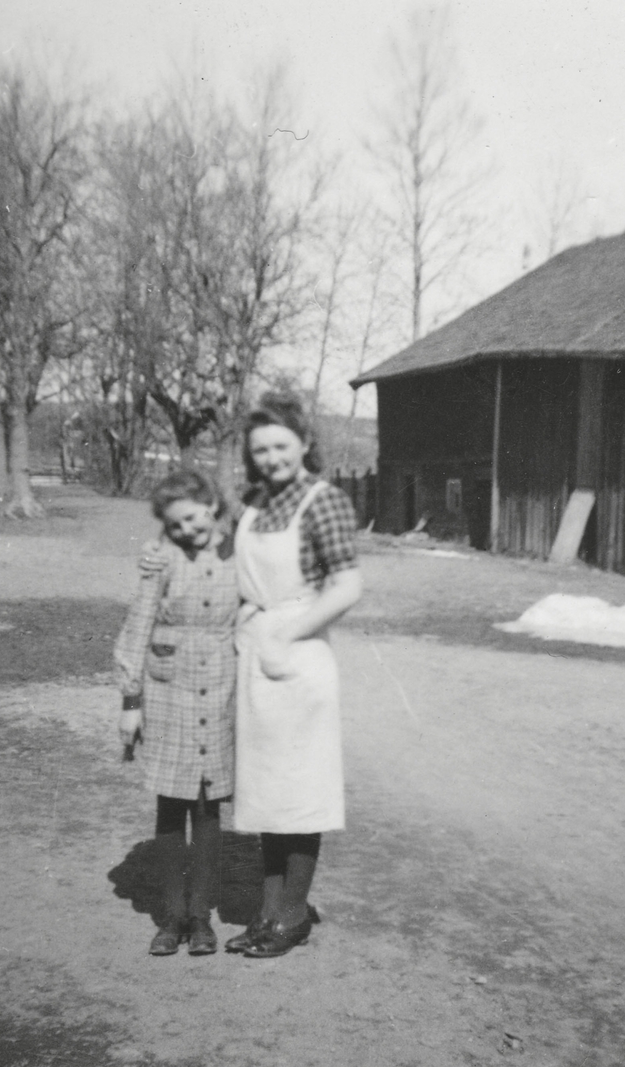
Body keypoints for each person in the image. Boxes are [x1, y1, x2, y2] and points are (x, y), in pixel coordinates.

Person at [225, 392, 363, 959]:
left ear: (304, 442)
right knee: (264, 791)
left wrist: (291, 631)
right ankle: (269, 913)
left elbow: (348, 585)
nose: (271, 458)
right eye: (260, 450)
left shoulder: (323, 501)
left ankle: (291, 917)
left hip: (299, 658)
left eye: (281, 445)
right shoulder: (255, 504)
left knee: (298, 792)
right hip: (256, 652)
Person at [114, 469, 239, 956]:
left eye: (191, 517)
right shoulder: (161, 558)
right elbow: (137, 625)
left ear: (210, 504)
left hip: (220, 688)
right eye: (175, 524)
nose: (186, 530)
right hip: (169, 693)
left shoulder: (237, 551)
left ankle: (201, 917)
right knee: (171, 805)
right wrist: (131, 703)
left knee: (209, 809)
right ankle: (171, 916)